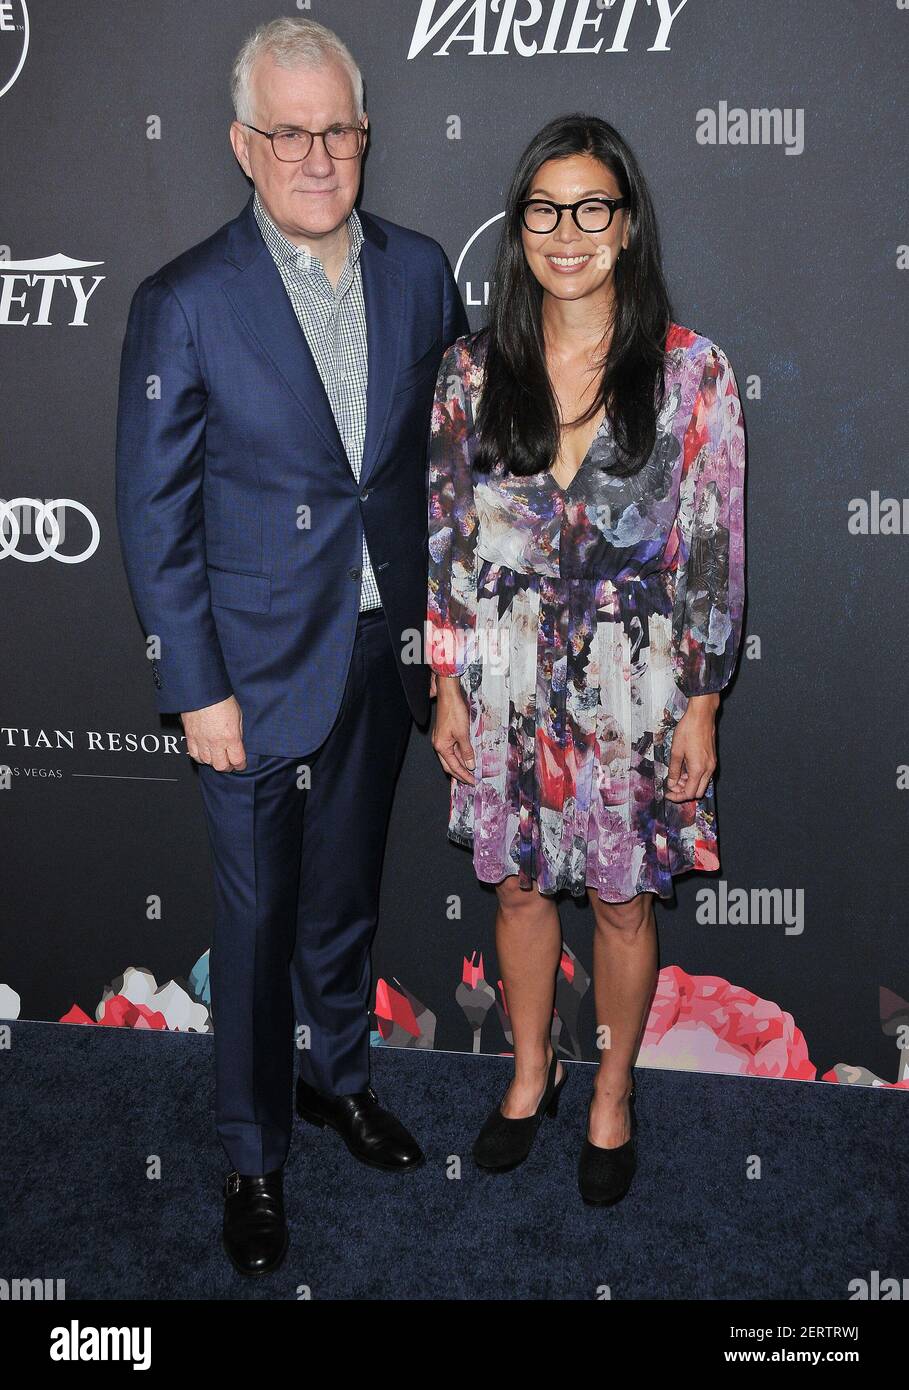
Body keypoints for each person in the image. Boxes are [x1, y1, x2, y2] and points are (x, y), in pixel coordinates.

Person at [115, 15, 468, 1275]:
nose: (318, 156)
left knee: (343, 900)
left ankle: (340, 1080)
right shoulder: (186, 302)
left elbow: (433, 476)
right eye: (290, 132)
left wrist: (436, 648)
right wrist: (195, 687)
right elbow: (153, 520)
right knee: (257, 925)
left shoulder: (423, 272)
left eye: (339, 130)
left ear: (365, 137)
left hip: (383, 656)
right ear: (242, 145)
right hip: (250, 677)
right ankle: (254, 1154)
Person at [427, 113, 746, 1206]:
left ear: (626, 224)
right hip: (506, 679)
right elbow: (447, 543)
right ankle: (529, 1074)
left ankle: (612, 1090)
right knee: (516, 890)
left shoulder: (693, 373)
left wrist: (701, 704)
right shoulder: (473, 371)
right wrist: (445, 685)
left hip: (634, 687)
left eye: (591, 207)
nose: (567, 231)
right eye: (544, 210)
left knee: (620, 902)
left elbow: (712, 548)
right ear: (519, 229)